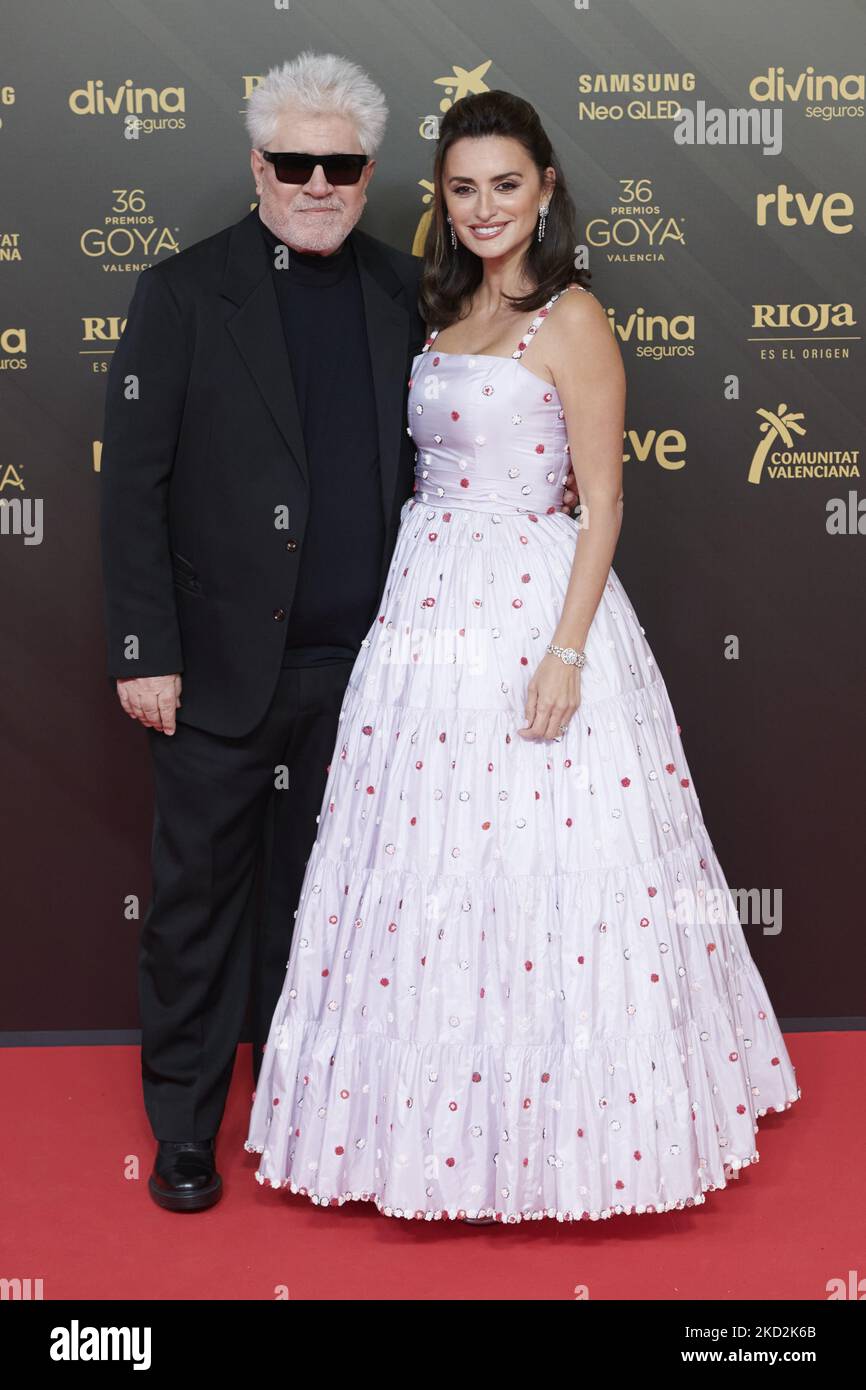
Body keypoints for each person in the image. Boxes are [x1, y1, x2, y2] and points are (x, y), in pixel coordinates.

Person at [245, 88, 801, 1225]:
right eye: (462, 188)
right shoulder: (440, 311)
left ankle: (567, 1137)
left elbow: (600, 506)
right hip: (423, 606)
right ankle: (437, 1126)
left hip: (529, 612)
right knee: (428, 873)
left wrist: (564, 652)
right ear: (440, 203)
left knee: (554, 877)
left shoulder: (574, 319)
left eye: (506, 184)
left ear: (545, 188)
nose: (485, 206)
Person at [99, 55, 580, 1213]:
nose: (318, 182)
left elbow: (453, 453)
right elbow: (131, 489)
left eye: (342, 164)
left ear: (369, 177)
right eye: (295, 162)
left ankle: (300, 1112)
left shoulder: (398, 292)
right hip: (215, 671)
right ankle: (182, 1130)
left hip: (372, 671)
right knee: (197, 908)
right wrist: (142, 650)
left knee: (325, 909)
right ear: (259, 167)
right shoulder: (181, 293)